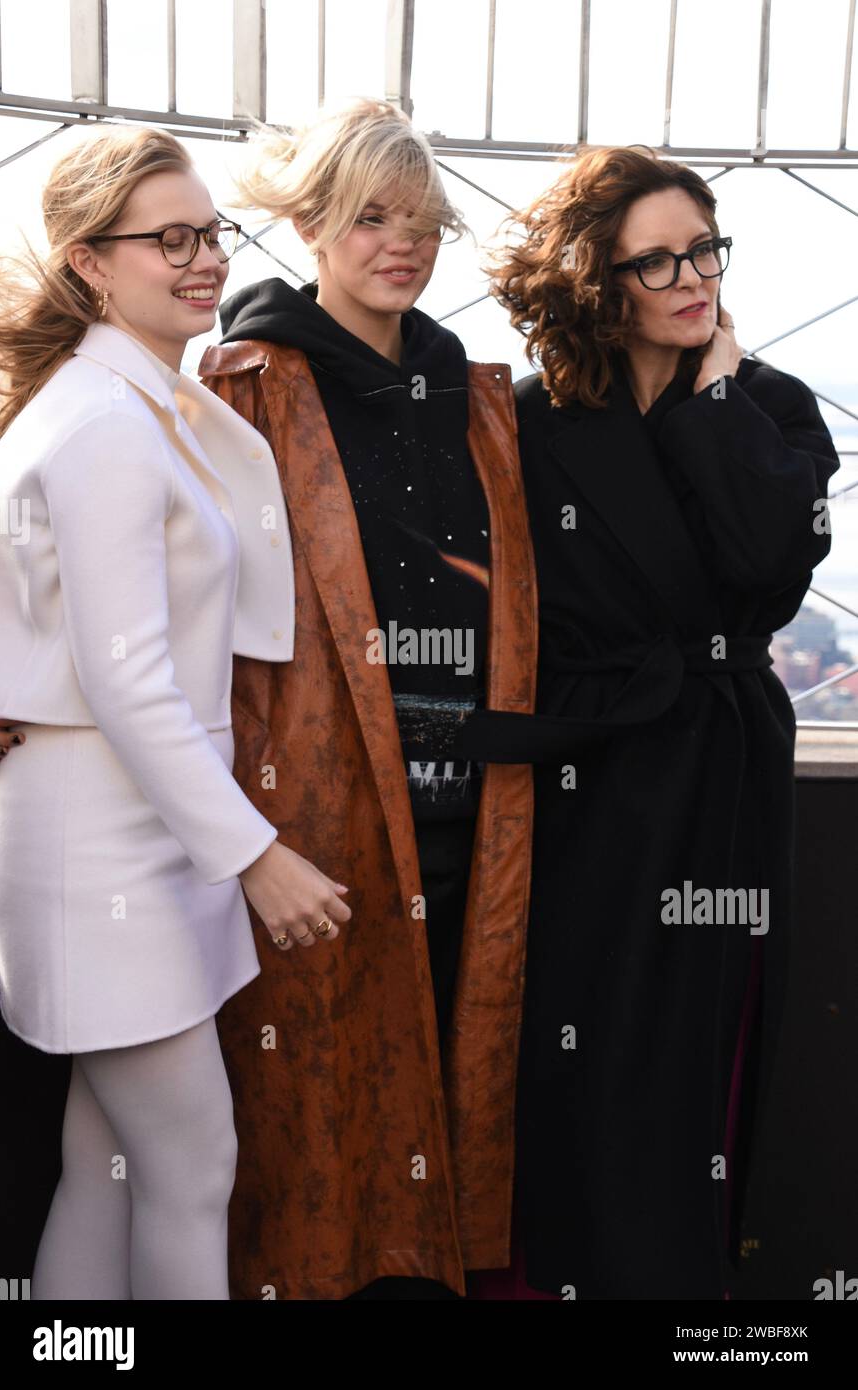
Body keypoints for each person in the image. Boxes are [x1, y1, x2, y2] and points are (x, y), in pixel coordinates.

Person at [454, 144, 840, 1299]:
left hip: (713, 767)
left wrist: (712, 406)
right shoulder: (524, 420)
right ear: (597, 279)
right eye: (656, 260)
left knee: (688, 1055)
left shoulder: (763, 403)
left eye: (703, 250)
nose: (691, 278)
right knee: (567, 1044)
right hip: (580, 771)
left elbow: (770, 563)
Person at [0, 125, 347, 1300]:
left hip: (124, 829)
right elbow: (129, 678)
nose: (203, 260)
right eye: (170, 239)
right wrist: (259, 858)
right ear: (91, 261)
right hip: (105, 843)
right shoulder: (102, 424)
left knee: (111, 1167)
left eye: (211, 233)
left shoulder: (118, 406)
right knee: (191, 1169)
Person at [197, 97, 537, 1299]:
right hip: (317, 815)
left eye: (423, 221)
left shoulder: (475, 396)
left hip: (472, 806)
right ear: (309, 224)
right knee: (311, 1119)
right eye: (368, 217)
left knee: (448, 1094)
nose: (401, 243)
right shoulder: (244, 384)